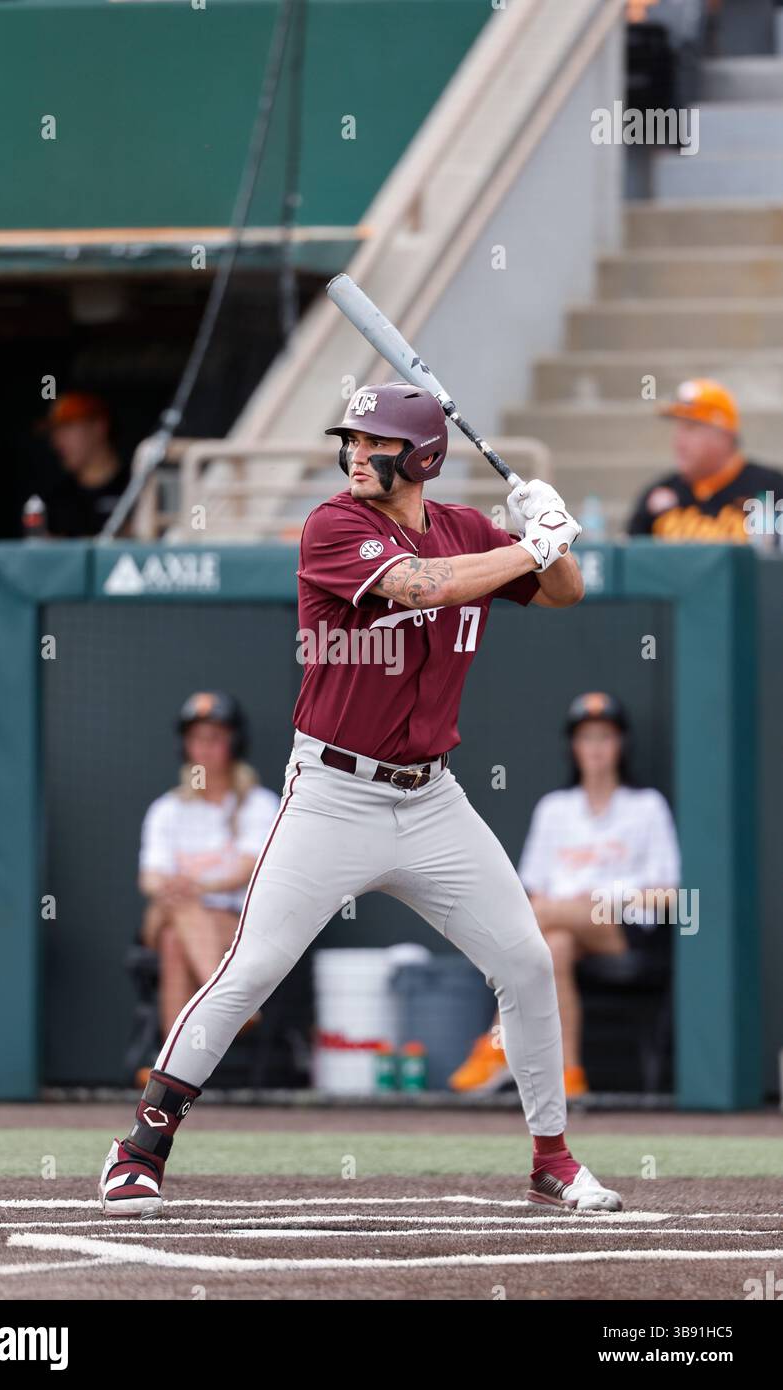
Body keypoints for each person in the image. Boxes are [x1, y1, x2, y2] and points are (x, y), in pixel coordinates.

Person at [99, 381, 625, 1220]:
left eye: (374, 443)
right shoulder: (333, 526)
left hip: (432, 798)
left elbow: (567, 594)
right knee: (255, 966)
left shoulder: (466, 528)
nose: (355, 454)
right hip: (334, 794)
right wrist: (533, 546)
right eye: (352, 440)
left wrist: (548, 530)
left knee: (526, 961)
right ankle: (139, 1149)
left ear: (420, 457)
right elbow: (424, 587)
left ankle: (551, 1160)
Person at [449, 692, 681, 1098]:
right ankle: (570, 1075)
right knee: (553, 944)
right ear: (574, 746)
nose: (595, 747)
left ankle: (499, 1041)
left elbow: (669, 895)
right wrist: (567, 908)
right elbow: (533, 888)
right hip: (559, 929)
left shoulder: (647, 806)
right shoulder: (554, 809)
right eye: (586, 737)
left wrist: (606, 896)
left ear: (620, 744)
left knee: (537, 920)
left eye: (604, 737)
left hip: (621, 927)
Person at [137, 692, 280, 1065]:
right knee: (177, 915)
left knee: (173, 940)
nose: (204, 749)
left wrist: (197, 886)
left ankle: (172, 1069)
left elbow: (250, 867)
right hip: (170, 909)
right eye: (196, 739)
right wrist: (178, 889)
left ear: (234, 743)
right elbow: (149, 878)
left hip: (236, 924)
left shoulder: (258, 803)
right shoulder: (168, 808)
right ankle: (235, 1005)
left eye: (215, 738)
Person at [627, 378, 783, 543]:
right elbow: (631, 557)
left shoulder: (771, 488)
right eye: (678, 428)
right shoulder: (659, 492)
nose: (679, 441)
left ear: (724, 435)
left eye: (690, 428)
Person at [42, 393, 130, 538]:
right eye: (54, 431)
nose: (57, 441)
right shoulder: (55, 501)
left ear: (99, 427)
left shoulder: (137, 487)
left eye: (67, 427)